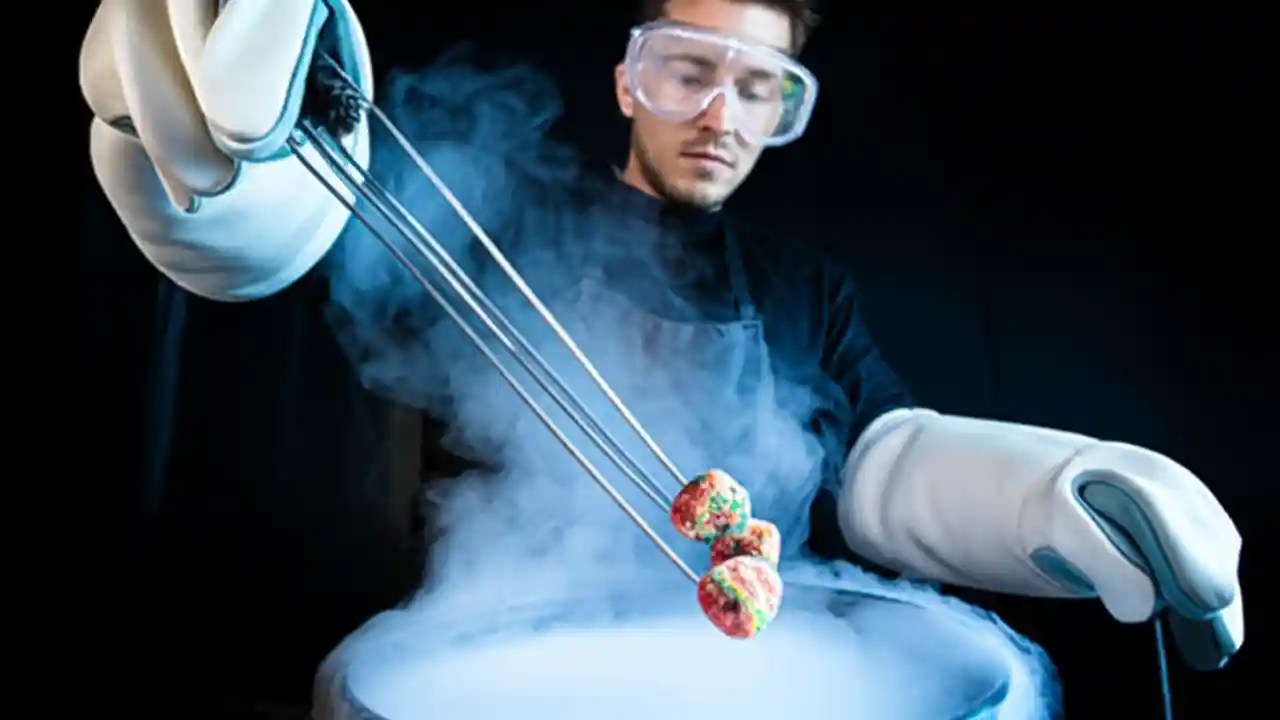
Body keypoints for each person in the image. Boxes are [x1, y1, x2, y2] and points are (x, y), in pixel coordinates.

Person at [81, 0, 1243, 711]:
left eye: (760, 87)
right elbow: (349, 252)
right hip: (493, 668)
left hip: (746, 678)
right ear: (627, 79)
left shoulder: (805, 287)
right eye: (688, 70)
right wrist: (253, 203)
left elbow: (878, 460)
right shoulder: (501, 225)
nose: (720, 114)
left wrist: (1037, 490)